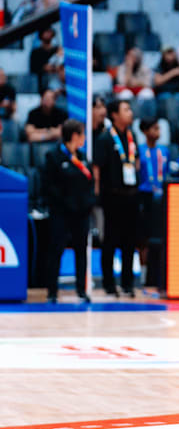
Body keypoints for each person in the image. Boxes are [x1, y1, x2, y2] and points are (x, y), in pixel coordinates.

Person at [43, 119, 95, 304]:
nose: (84, 138)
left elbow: (90, 184)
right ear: (74, 135)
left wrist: (88, 203)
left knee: (81, 252)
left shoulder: (82, 158)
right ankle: (52, 292)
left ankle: (81, 290)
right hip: (61, 213)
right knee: (56, 251)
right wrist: (67, 204)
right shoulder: (53, 157)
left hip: (81, 214)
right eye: (82, 134)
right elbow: (49, 186)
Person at [94, 99, 139, 297]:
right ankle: (109, 284)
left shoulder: (132, 136)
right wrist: (96, 193)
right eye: (126, 109)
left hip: (131, 196)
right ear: (115, 115)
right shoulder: (105, 138)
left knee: (130, 241)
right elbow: (97, 167)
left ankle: (128, 284)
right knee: (110, 241)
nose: (130, 112)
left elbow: (135, 161)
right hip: (111, 197)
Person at [136, 118, 168, 290]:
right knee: (144, 237)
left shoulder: (164, 151)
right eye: (155, 128)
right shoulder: (139, 151)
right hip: (145, 195)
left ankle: (158, 273)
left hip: (162, 196)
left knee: (159, 236)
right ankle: (143, 273)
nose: (158, 132)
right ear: (146, 131)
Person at [29, 28, 58, 93]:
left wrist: (53, 68)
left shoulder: (57, 50)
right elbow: (32, 69)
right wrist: (44, 68)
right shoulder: (35, 52)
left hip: (56, 84)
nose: (48, 34)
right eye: (46, 32)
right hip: (41, 84)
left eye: (50, 32)